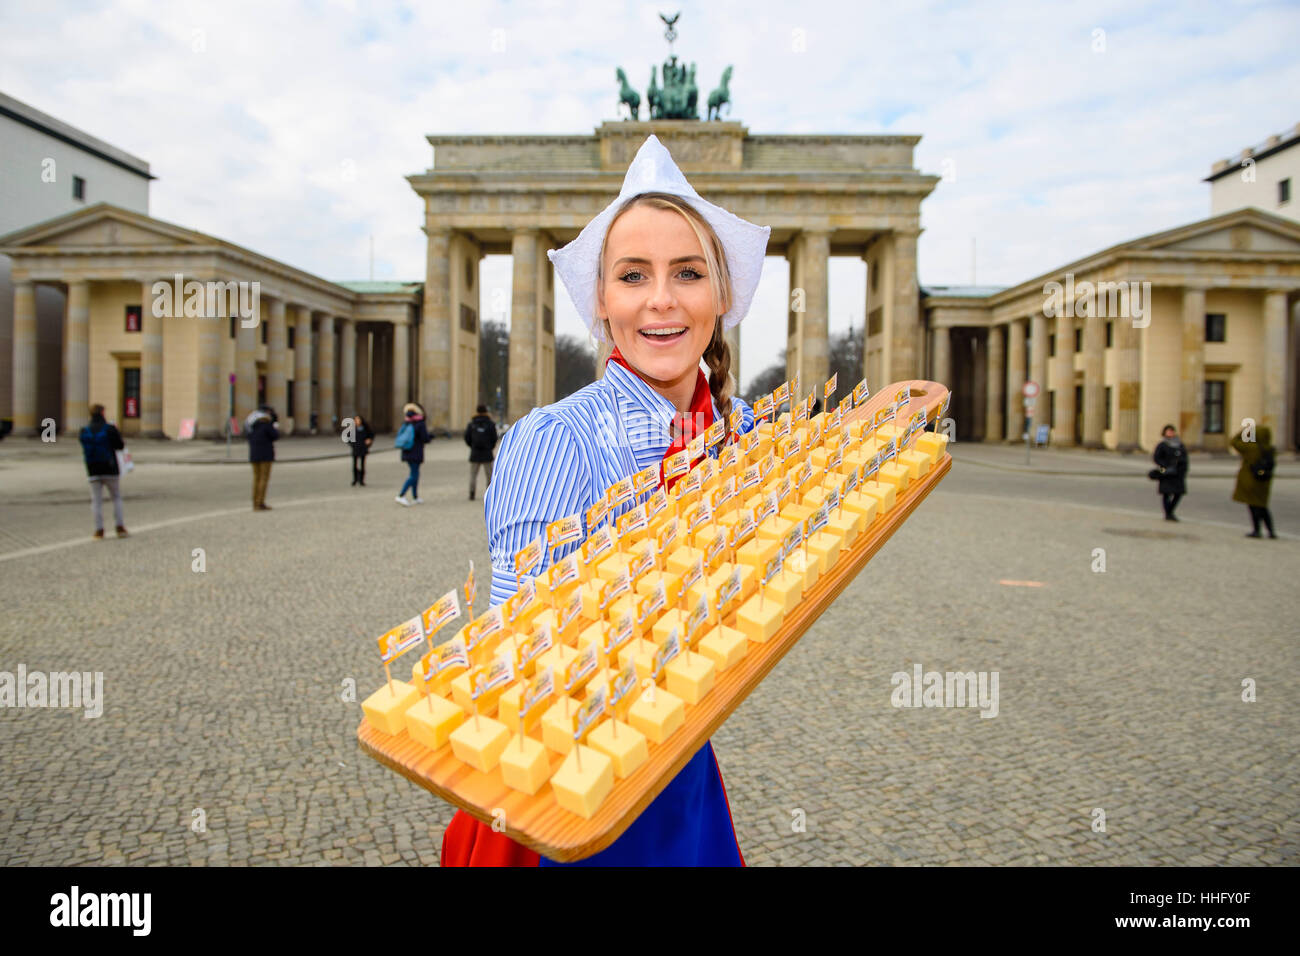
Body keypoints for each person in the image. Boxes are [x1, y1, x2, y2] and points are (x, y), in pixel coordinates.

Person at [440, 134, 766, 867]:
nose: (661, 299)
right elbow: (516, 660)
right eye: (632, 275)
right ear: (602, 299)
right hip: (563, 797)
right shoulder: (556, 439)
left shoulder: (734, 432)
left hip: (679, 772)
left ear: (721, 296)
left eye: (687, 272)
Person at [79, 403, 127, 538]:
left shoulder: (84, 430)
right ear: (102, 413)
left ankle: (98, 530)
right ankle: (120, 527)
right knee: (116, 497)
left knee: (96, 501)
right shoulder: (110, 429)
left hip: (92, 469)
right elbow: (120, 445)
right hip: (110, 468)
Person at [1231, 424, 1278, 538]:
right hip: (1264, 481)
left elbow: (1234, 442)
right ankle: (1271, 531)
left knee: (1253, 507)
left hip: (1251, 481)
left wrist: (1247, 432)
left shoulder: (1251, 448)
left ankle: (1257, 530)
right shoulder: (1270, 449)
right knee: (1262, 506)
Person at [395, 402, 431, 505]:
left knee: (415, 473)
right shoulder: (420, 423)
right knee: (414, 474)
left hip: (407, 450)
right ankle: (401, 495)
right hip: (416, 451)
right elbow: (425, 438)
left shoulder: (406, 422)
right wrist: (431, 437)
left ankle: (415, 496)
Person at [246, 405, 278, 511]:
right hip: (265, 455)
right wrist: (274, 425)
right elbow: (275, 436)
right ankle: (260, 503)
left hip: (254, 454)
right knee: (263, 479)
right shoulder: (266, 424)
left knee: (256, 479)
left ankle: (255, 502)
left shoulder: (251, 424)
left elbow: (247, 436)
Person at [464, 404, 499, 500]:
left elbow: (467, 438)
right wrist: (490, 447)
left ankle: (472, 493)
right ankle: (490, 495)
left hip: (475, 452)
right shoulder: (491, 424)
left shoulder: (471, 424)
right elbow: (494, 438)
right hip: (487, 452)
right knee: (489, 475)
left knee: (473, 475)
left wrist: (473, 446)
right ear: (486, 411)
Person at [1153, 424, 1188, 521]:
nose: (1170, 433)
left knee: (1178, 494)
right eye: (1168, 431)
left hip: (1177, 474)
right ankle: (1168, 514)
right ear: (1164, 433)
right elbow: (1156, 458)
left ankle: (1170, 511)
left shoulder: (1180, 445)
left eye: (1172, 431)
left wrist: (1183, 470)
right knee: (1166, 493)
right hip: (1166, 473)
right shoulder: (1162, 445)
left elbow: (1185, 458)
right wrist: (1165, 466)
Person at [348, 413, 374, 486]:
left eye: (358, 419)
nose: (357, 421)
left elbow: (371, 435)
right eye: (356, 420)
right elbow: (347, 438)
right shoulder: (352, 429)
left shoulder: (365, 428)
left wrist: (369, 441)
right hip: (355, 448)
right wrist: (352, 444)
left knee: (362, 465)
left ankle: (361, 480)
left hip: (363, 448)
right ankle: (355, 479)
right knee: (355, 465)